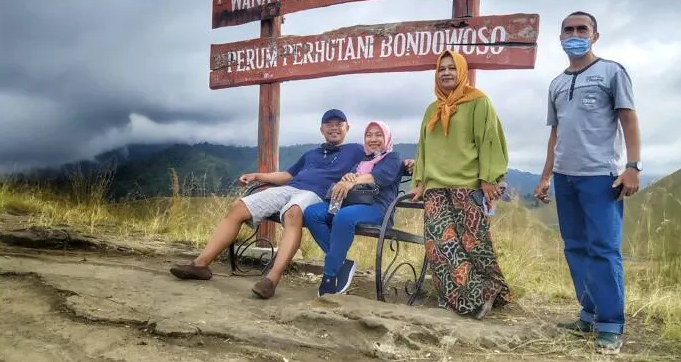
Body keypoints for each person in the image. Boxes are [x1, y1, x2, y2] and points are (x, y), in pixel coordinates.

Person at [170, 109, 364, 300]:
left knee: (293, 212)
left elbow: (374, 164)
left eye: (339, 124)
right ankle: (200, 265)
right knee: (239, 206)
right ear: (321, 129)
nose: (334, 128)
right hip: (290, 189)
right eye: (329, 124)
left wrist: (352, 179)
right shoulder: (311, 154)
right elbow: (287, 176)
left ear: (347, 127)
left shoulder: (356, 150)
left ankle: (271, 279)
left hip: (316, 196)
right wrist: (256, 176)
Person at [533, 11, 642, 355]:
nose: (575, 34)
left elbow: (628, 119)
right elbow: (556, 133)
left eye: (582, 29)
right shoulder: (556, 83)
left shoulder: (612, 72)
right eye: (569, 30)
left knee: (604, 249)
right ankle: (589, 314)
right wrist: (546, 175)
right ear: (560, 36)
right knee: (575, 247)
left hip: (602, 177)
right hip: (565, 178)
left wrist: (633, 166)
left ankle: (611, 324)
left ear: (595, 36)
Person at [409, 50, 511, 319]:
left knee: (474, 244)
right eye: (441, 68)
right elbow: (424, 148)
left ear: (462, 71)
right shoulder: (431, 110)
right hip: (435, 187)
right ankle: (474, 298)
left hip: (469, 185)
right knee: (440, 246)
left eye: (452, 68)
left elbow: (489, 140)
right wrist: (419, 182)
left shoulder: (479, 102)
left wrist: (490, 179)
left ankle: (493, 292)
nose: (446, 73)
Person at [303, 121, 403, 296]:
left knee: (343, 216)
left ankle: (330, 275)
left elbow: (379, 177)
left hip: (378, 208)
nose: (373, 139)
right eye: (369, 135)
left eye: (378, 135)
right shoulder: (363, 160)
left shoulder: (393, 158)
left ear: (386, 137)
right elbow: (349, 177)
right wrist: (347, 177)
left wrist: (353, 181)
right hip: (350, 203)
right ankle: (342, 262)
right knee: (312, 213)